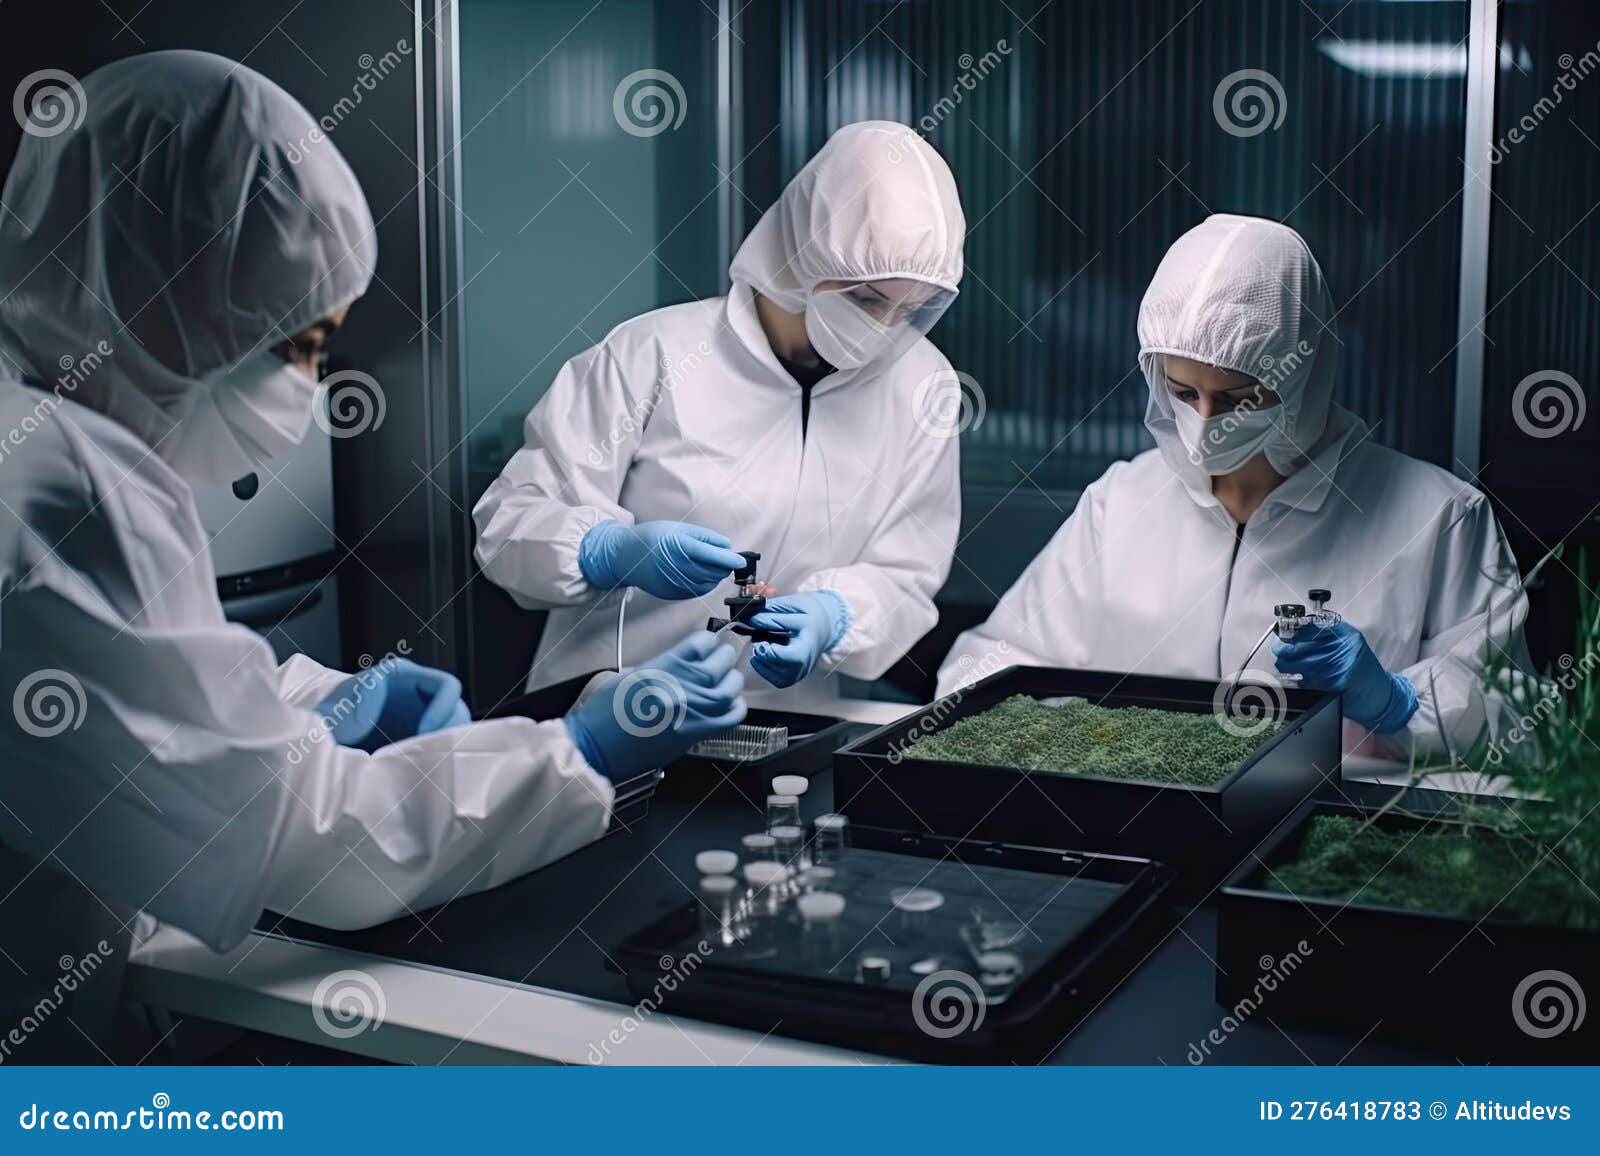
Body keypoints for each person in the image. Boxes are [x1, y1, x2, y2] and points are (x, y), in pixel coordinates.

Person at [0, 51, 743, 1061]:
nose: (312, 386)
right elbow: (312, 852)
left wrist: (309, 701)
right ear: (167, 284)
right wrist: (578, 754)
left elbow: (139, 697)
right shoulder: (69, 488)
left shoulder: (40, 435)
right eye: (302, 343)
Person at [939, 214, 1527, 756]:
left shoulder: (1438, 518)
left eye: (1235, 399)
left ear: (1304, 376)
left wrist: (1399, 704)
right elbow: (989, 664)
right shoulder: (1121, 505)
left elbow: (1523, 724)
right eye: (1183, 392)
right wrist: (1081, 738)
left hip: (1329, 836)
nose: (1202, 421)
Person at [473, 121, 966, 710]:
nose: (885, 328)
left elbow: (906, 575)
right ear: (801, 255)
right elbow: (509, 524)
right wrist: (605, 551)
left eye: (912, 309)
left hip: (788, 724)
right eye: (864, 299)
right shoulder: (653, 354)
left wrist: (835, 616)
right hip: (608, 707)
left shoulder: (920, 384)